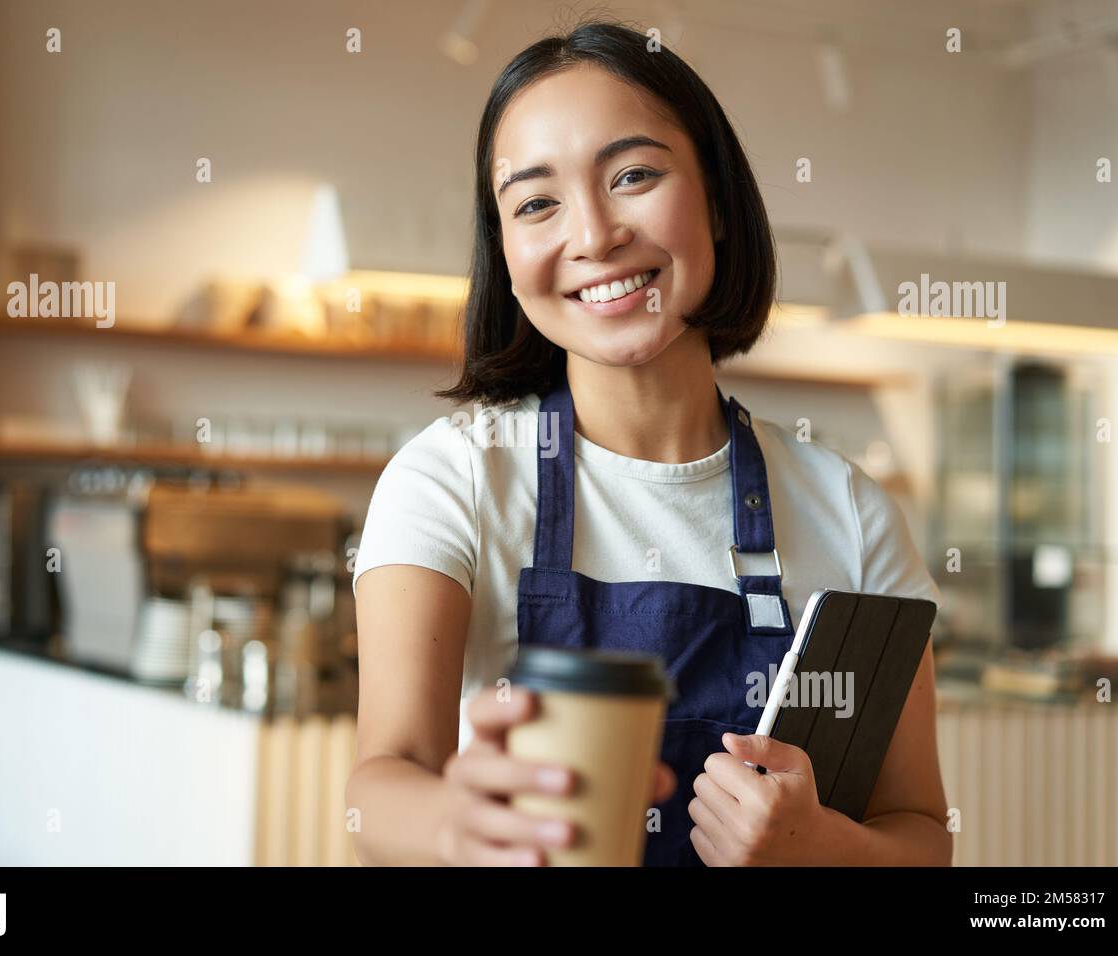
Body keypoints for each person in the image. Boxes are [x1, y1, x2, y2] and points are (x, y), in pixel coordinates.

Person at [345, 18, 951, 867]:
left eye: (633, 174)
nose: (593, 235)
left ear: (719, 201)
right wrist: (457, 824)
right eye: (536, 202)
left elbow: (921, 833)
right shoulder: (452, 479)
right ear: (508, 257)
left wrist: (819, 847)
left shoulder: (848, 510)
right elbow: (381, 785)